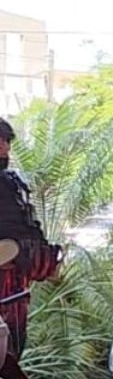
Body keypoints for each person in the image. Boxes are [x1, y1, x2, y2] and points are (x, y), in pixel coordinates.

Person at [0, 119, 57, 353]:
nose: (5, 147)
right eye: (1, 141)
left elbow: (28, 225)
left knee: (13, 345)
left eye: (6, 141)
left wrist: (42, 254)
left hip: (15, 280)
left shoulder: (12, 183)